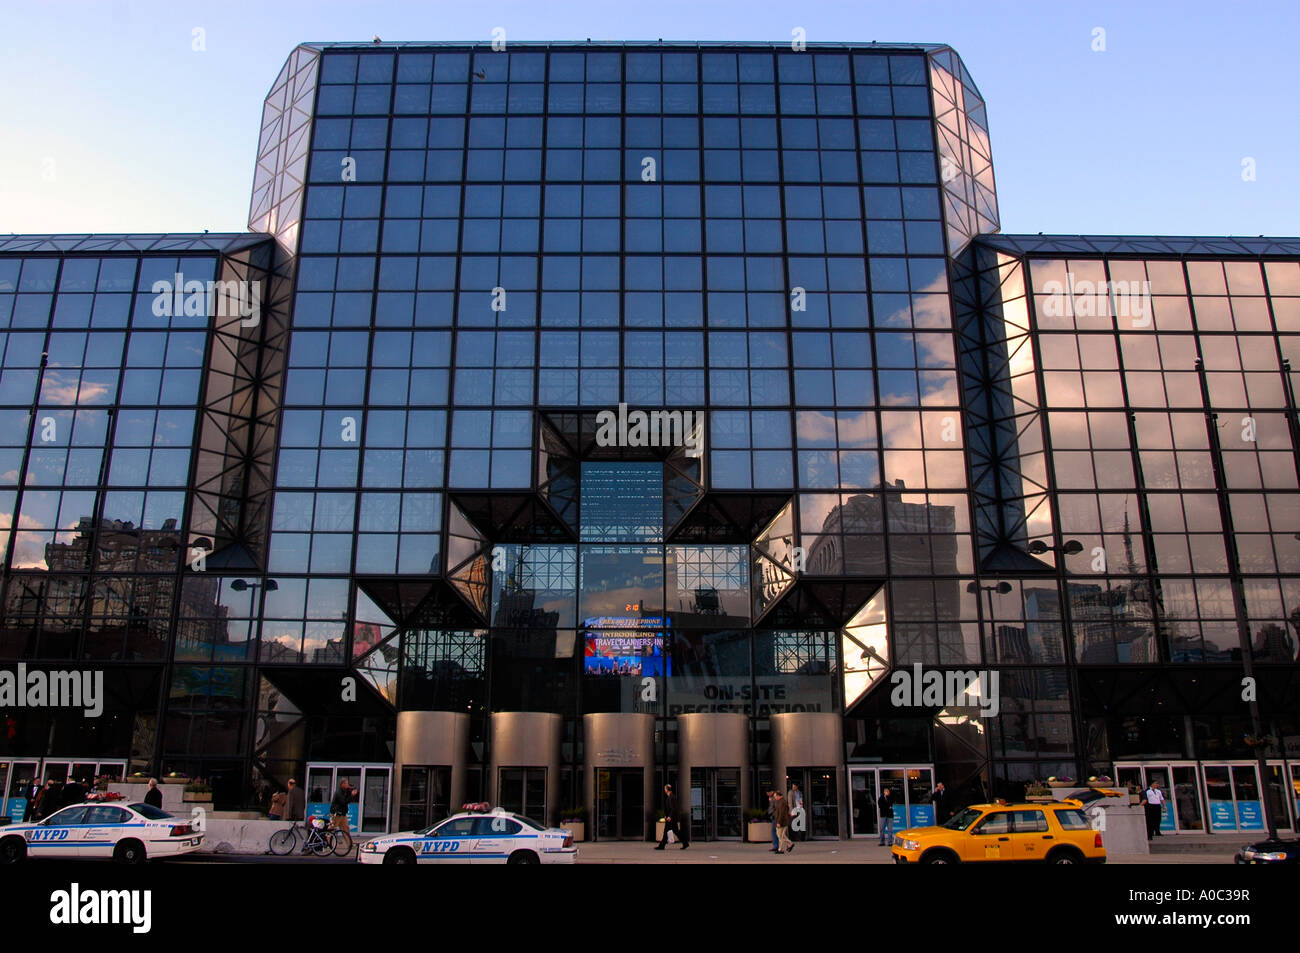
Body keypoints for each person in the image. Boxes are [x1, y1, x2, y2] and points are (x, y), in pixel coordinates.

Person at [654, 783, 688, 850]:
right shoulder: (670, 797)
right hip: (671, 818)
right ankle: (685, 843)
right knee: (676, 831)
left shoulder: (672, 797)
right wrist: (667, 816)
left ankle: (662, 846)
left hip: (671, 819)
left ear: (666, 789)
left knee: (667, 832)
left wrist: (669, 816)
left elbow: (673, 808)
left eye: (665, 788)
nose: (664, 790)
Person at [774, 790, 793, 854]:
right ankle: (790, 844)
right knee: (781, 835)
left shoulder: (782, 802)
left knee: (780, 836)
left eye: (775, 796)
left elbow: (781, 813)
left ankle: (781, 849)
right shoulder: (780, 802)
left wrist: (779, 822)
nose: (775, 798)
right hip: (782, 821)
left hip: (782, 822)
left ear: (778, 796)